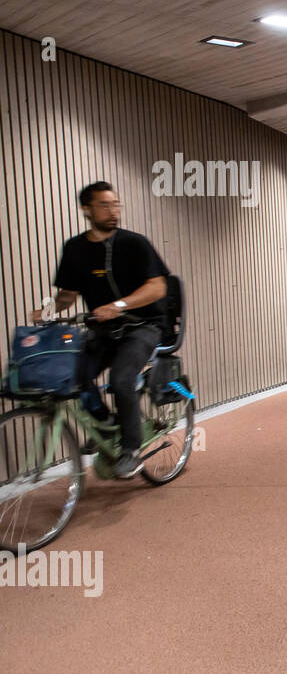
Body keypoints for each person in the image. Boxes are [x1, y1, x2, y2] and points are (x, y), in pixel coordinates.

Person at [29, 182, 171, 478]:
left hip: (142, 327)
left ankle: (131, 449)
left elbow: (158, 287)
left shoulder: (135, 243)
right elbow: (67, 296)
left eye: (115, 204)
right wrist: (47, 312)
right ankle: (106, 425)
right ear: (86, 209)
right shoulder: (75, 249)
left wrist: (118, 305)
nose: (112, 211)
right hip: (104, 331)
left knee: (121, 379)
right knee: (75, 375)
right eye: (104, 205)